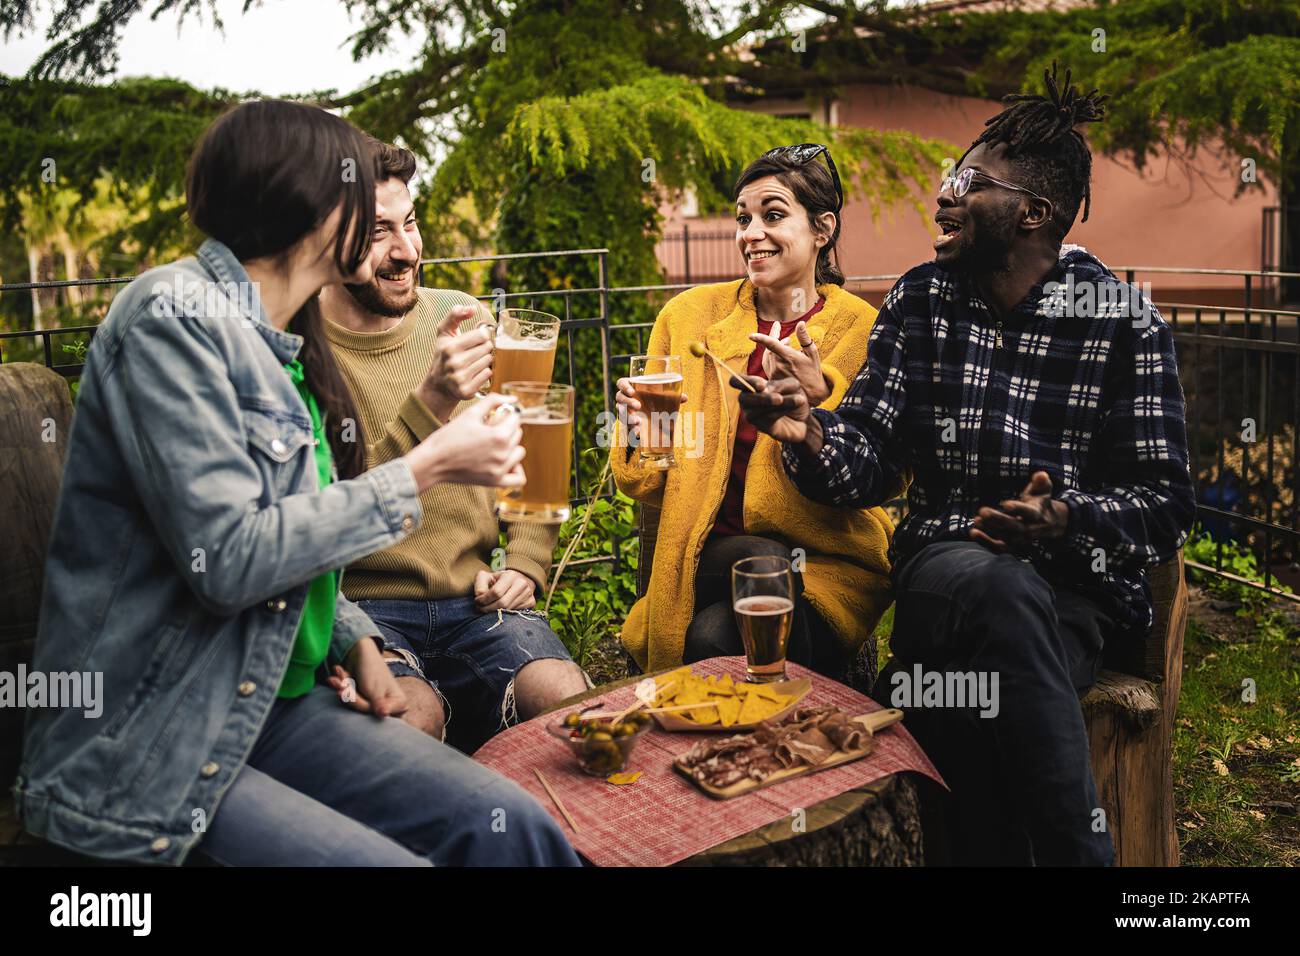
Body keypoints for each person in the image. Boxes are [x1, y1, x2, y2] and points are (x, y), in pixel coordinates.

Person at [14, 101, 579, 867]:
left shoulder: (282, 343)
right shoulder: (170, 318)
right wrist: (432, 460)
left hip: (273, 705)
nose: (394, 232)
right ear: (309, 207)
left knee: (514, 829)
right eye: (364, 205)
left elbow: (298, 521)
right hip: (161, 735)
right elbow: (233, 557)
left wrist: (354, 638)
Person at [737, 66, 1196, 865]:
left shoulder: (1123, 322)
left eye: (967, 182)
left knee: (967, 697)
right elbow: (874, 458)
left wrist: (1065, 519)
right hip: (943, 576)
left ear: (1033, 213)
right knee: (994, 582)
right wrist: (809, 434)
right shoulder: (921, 302)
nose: (943, 196)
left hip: (1072, 599)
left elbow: (1164, 505)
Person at [317, 137, 588, 753]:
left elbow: (533, 449)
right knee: (409, 725)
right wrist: (430, 401)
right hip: (367, 610)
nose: (407, 251)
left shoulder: (464, 317)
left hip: (475, 602)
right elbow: (326, 515)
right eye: (378, 232)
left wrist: (525, 561)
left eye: (410, 223)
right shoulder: (304, 350)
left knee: (568, 700)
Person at [610, 145, 894, 679]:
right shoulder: (689, 317)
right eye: (743, 218)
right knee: (762, 561)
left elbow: (878, 473)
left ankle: (735, 750)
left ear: (823, 229)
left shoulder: (863, 330)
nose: (750, 232)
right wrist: (642, 430)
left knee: (715, 637)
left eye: (773, 214)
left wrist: (819, 406)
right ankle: (791, 749)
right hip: (704, 559)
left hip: (824, 568)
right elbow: (649, 482)